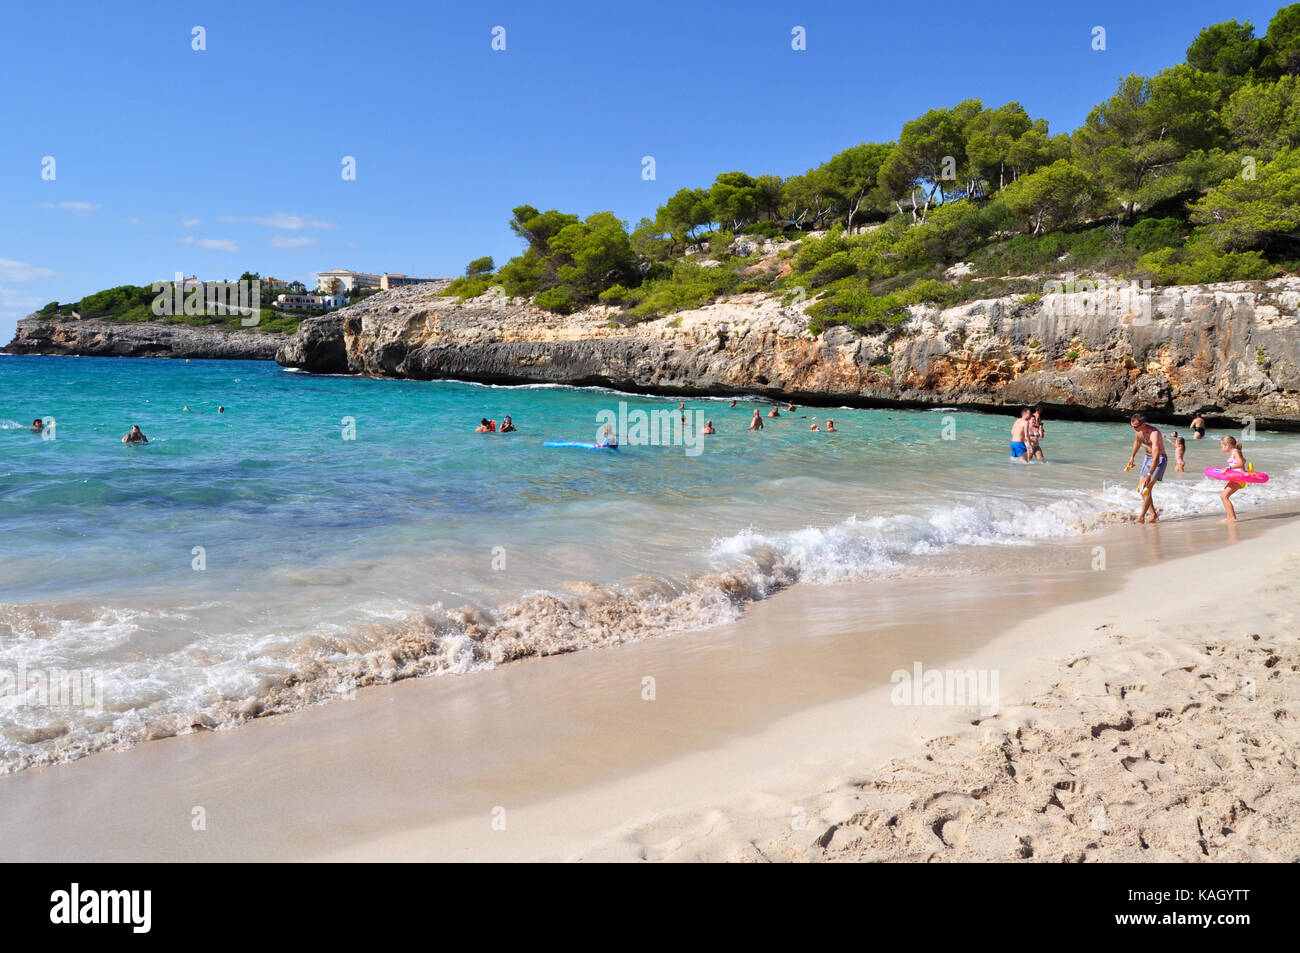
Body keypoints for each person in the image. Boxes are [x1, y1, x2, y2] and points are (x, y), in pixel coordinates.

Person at [1126, 413, 1166, 523]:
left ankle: (1141, 517)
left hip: (1159, 460)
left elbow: (1156, 457)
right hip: (1147, 458)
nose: (1133, 429)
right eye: (1132, 426)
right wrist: (1132, 457)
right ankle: (1153, 516)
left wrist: (1149, 475)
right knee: (1141, 489)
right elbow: (1137, 442)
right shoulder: (1138, 431)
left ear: (1144, 424)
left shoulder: (1155, 434)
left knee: (1146, 488)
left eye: (1135, 427)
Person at [1216, 435, 1249, 522]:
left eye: (1222, 446)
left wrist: (1229, 468)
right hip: (1237, 478)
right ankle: (1229, 517)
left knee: (1224, 496)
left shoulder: (1235, 452)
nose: (1222, 448)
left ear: (1228, 445)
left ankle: (1232, 517)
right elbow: (1244, 461)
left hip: (1239, 478)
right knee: (1224, 496)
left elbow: (1241, 463)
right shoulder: (1235, 451)